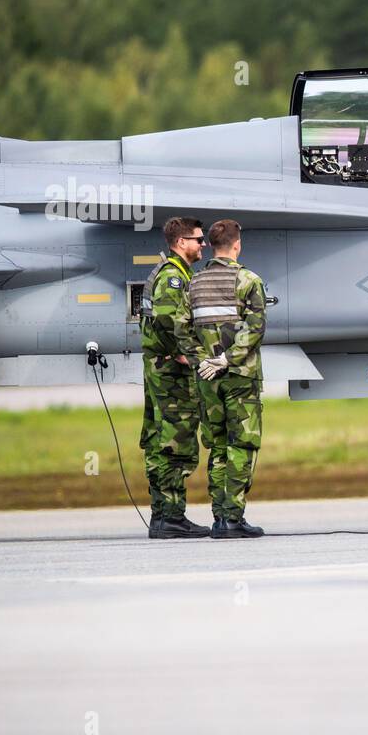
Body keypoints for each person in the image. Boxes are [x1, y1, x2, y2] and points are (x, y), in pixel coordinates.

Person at [186, 218, 267, 539]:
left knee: (217, 444)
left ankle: (219, 516)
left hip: (208, 378)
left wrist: (202, 360)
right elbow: (255, 328)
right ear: (237, 245)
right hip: (239, 377)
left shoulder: (195, 283)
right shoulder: (248, 281)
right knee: (242, 444)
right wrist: (228, 358)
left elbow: (182, 328)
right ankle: (233, 516)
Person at [138, 216, 211, 539]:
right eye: (198, 239)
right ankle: (169, 516)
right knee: (175, 443)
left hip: (160, 369)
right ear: (181, 243)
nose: (203, 245)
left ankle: (165, 515)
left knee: (160, 441)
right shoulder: (173, 278)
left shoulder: (173, 273)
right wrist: (184, 353)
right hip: (171, 373)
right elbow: (170, 322)